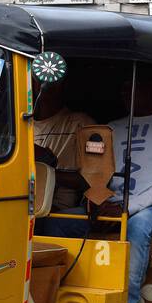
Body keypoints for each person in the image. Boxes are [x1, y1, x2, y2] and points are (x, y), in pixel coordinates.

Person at [42, 75, 152, 303]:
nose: (125, 93)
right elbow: (95, 174)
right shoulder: (110, 129)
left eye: (134, 88)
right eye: (124, 88)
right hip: (111, 205)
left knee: (137, 228)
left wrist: (126, 208)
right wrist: (96, 200)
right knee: (55, 224)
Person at [32, 77, 93, 210]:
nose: (45, 85)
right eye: (38, 80)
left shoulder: (81, 123)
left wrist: (45, 174)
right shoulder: (19, 127)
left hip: (58, 210)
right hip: (21, 205)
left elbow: (92, 179)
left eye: (54, 81)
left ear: (64, 85)